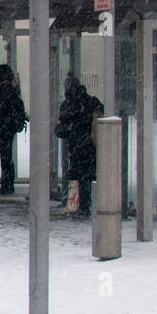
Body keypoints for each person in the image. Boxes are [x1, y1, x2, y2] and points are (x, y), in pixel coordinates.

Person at [56, 75, 104, 216]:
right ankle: (84, 204)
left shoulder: (69, 105)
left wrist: (67, 129)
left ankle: (77, 204)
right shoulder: (90, 101)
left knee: (78, 176)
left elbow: (63, 126)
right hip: (89, 146)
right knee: (87, 177)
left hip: (77, 146)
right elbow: (100, 112)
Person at [0, 63, 27, 195]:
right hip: (9, 125)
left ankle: (7, 185)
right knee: (7, 156)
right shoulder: (12, 87)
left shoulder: (3, 89)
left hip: (5, 125)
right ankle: (7, 184)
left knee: (5, 156)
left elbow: (1, 107)